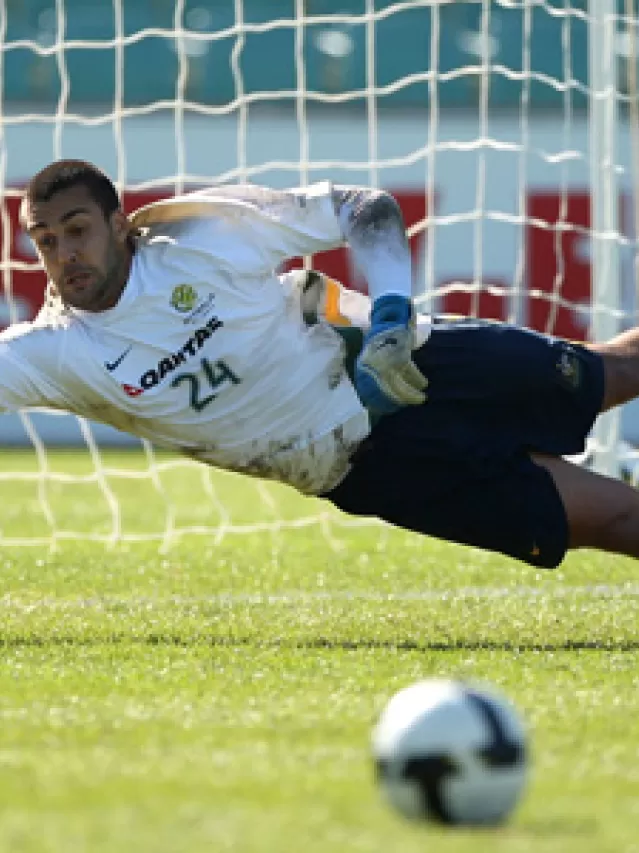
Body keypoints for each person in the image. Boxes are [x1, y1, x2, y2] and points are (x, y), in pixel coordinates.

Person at [4, 158, 639, 569]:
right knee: (619, 517)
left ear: (119, 225)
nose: (63, 253)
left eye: (77, 228)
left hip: (416, 360)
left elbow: (365, 206)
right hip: (378, 469)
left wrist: (393, 316)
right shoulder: (55, 352)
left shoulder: (199, 238)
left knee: (615, 371)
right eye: (46, 240)